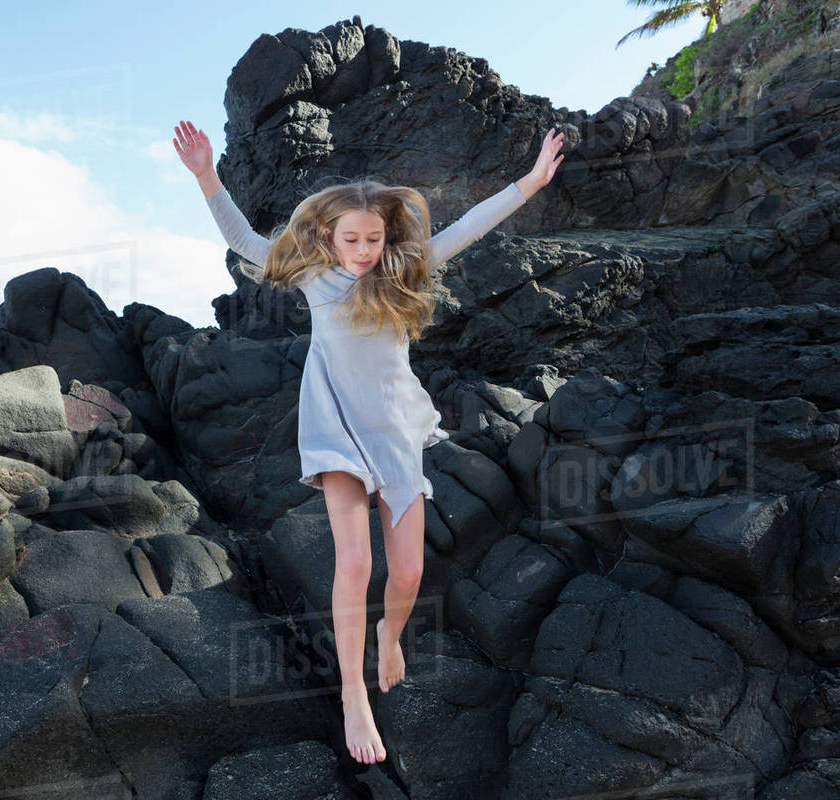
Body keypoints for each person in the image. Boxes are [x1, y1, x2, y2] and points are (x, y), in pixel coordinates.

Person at [174, 119, 564, 765]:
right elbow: (244, 239)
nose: (362, 250)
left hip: (395, 427)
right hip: (332, 426)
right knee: (355, 563)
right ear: (328, 236)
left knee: (407, 570)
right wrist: (206, 176)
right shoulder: (312, 277)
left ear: (386, 236)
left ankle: (390, 630)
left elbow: (468, 227)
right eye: (351, 239)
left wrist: (530, 182)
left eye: (372, 238)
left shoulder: (403, 270)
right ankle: (355, 691)